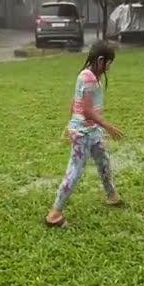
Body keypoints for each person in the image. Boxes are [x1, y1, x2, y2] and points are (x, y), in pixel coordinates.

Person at [45, 40, 124, 228]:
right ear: (101, 60)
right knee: (74, 171)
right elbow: (87, 111)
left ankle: (112, 196)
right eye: (109, 62)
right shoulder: (88, 77)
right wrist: (108, 126)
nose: (110, 66)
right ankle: (54, 214)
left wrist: (70, 124)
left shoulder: (89, 75)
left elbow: (74, 102)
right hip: (83, 134)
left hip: (91, 131)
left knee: (103, 161)